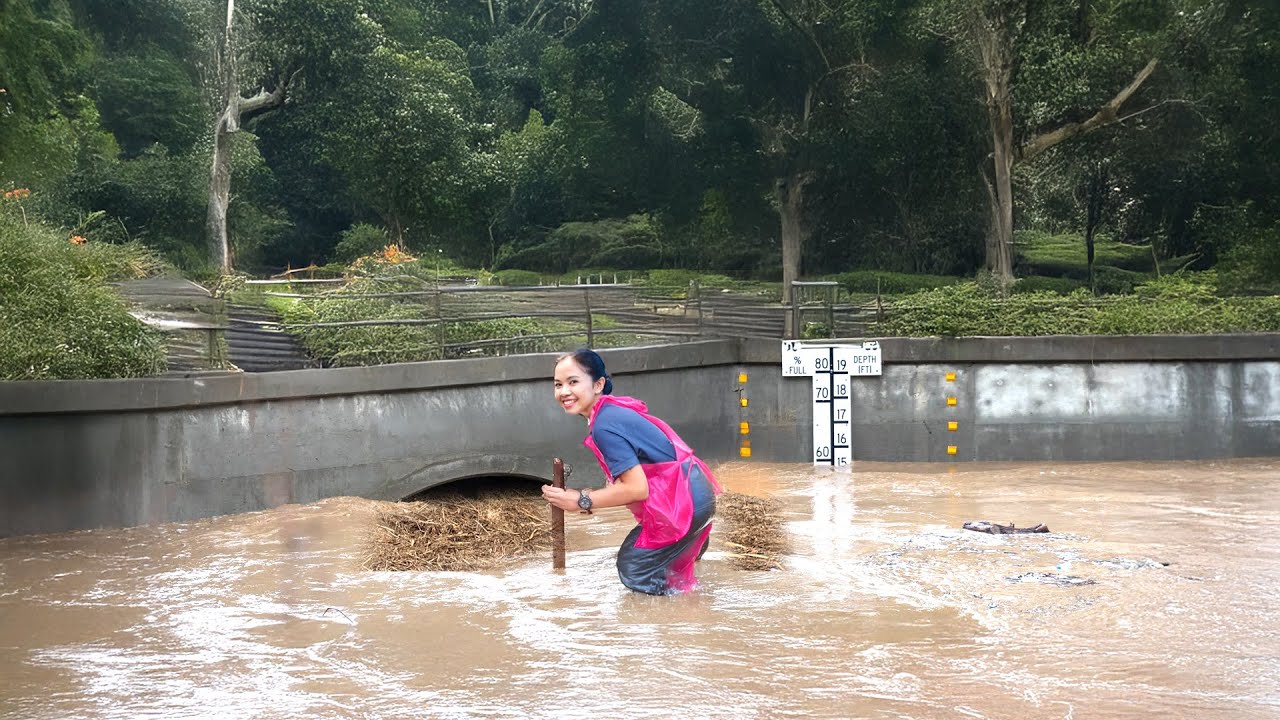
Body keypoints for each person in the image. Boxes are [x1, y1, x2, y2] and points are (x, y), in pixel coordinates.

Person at [543, 348, 721, 595]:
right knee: (670, 565)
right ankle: (691, 597)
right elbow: (633, 475)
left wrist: (581, 500)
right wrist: (592, 500)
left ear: (598, 384)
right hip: (694, 493)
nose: (564, 391)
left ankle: (687, 614)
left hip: (683, 502)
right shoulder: (610, 411)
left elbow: (637, 489)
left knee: (635, 567)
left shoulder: (604, 425)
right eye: (558, 384)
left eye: (573, 382)